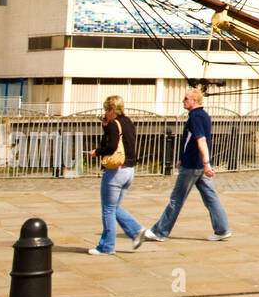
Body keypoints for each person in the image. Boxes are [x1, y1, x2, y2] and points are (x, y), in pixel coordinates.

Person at [142, 88, 232, 243]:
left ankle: (160, 231)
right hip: (194, 163)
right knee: (210, 197)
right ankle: (222, 230)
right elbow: (191, 142)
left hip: (193, 166)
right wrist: (183, 159)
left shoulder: (196, 117)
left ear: (194, 100)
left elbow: (201, 140)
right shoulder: (203, 115)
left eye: (186, 98)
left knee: (177, 199)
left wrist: (206, 163)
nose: (183, 101)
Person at [87, 95, 145, 255]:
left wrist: (97, 152)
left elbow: (112, 146)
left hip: (115, 172)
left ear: (112, 110)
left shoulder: (114, 124)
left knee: (108, 209)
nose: (105, 113)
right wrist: (106, 127)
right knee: (114, 208)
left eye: (106, 110)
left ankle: (106, 247)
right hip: (129, 171)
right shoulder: (128, 122)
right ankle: (136, 231)